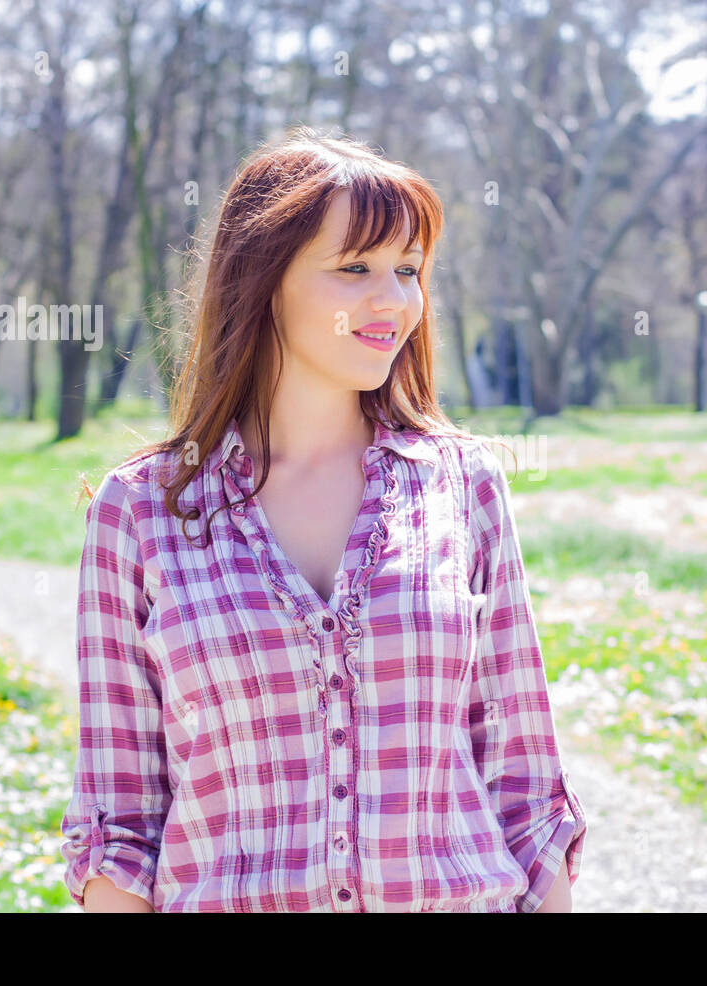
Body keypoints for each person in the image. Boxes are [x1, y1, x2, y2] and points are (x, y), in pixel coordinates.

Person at [59, 126, 586, 912]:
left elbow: (525, 789)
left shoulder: (465, 485)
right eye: (356, 269)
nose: (394, 300)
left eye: (408, 270)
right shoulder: (139, 511)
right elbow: (121, 818)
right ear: (263, 280)